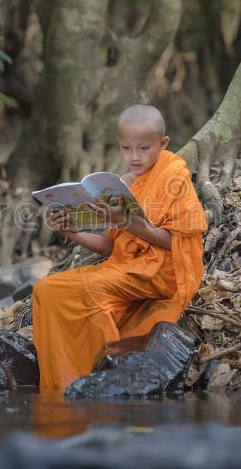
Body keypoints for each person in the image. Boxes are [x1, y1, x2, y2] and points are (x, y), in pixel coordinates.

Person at [32, 104, 207, 390]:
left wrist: (126, 222)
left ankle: (103, 379)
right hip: (124, 269)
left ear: (163, 144)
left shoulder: (174, 177)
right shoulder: (120, 185)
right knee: (47, 289)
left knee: (89, 291)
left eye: (144, 148)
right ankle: (62, 385)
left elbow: (174, 242)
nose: (134, 156)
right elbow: (109, 248)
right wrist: (70, 231)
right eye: (126, 148)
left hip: (162, 272)